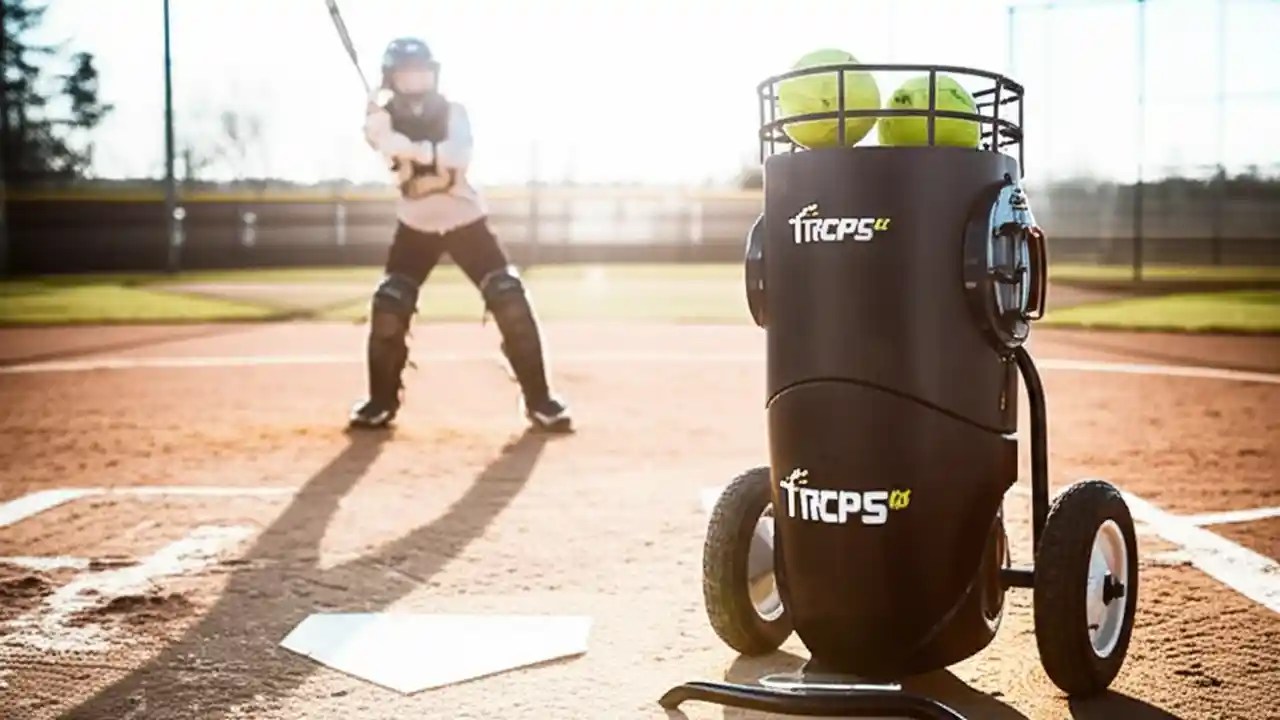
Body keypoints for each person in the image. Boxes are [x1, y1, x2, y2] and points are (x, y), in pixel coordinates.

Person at [349, 37, 572, 433]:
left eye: (421, 71)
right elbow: (381, 141)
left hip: (466, 220)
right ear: (391, 78)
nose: (415, 80)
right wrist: (381, 129)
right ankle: (380, 403)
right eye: (406, 72)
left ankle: (541, 401)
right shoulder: (380, 118)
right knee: (389, 303)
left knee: (508, 296)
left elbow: (458, 156)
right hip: (414, 225)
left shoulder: (454, 112)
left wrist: (406, 145)